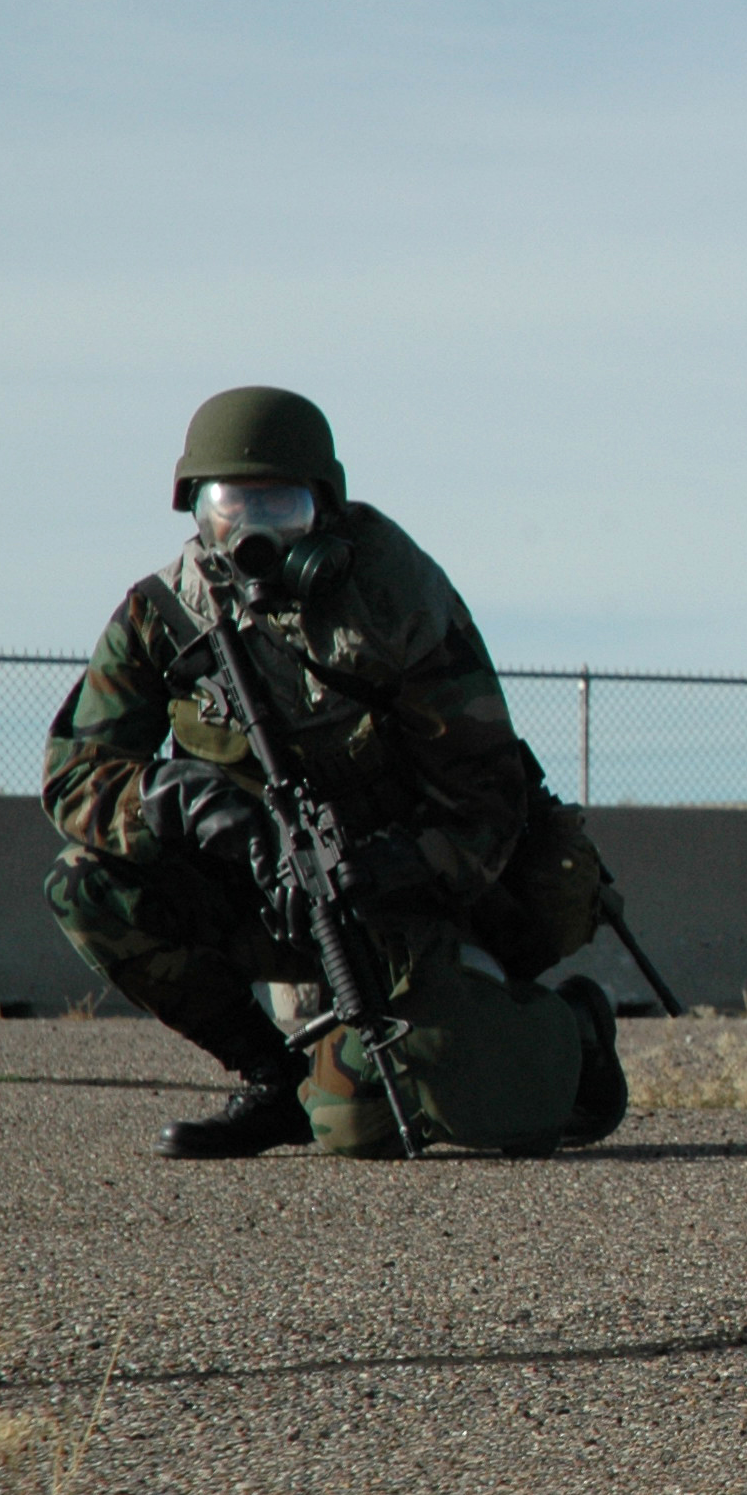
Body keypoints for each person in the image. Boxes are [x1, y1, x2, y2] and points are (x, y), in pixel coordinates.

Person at [42, 385, 627, 1159]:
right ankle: (272, 1079)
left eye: (279, 509)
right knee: (85, 884)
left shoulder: (399, 603)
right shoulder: (163, 619)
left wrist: (386, 866)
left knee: (412, 1124)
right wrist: (171, 798)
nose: (252, 533)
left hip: (412, 901)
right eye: (228, 508)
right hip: (263, 890)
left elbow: (489, 804)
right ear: (195, 512)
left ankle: (574, 1030)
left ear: (325, 508)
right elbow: (74, 773)